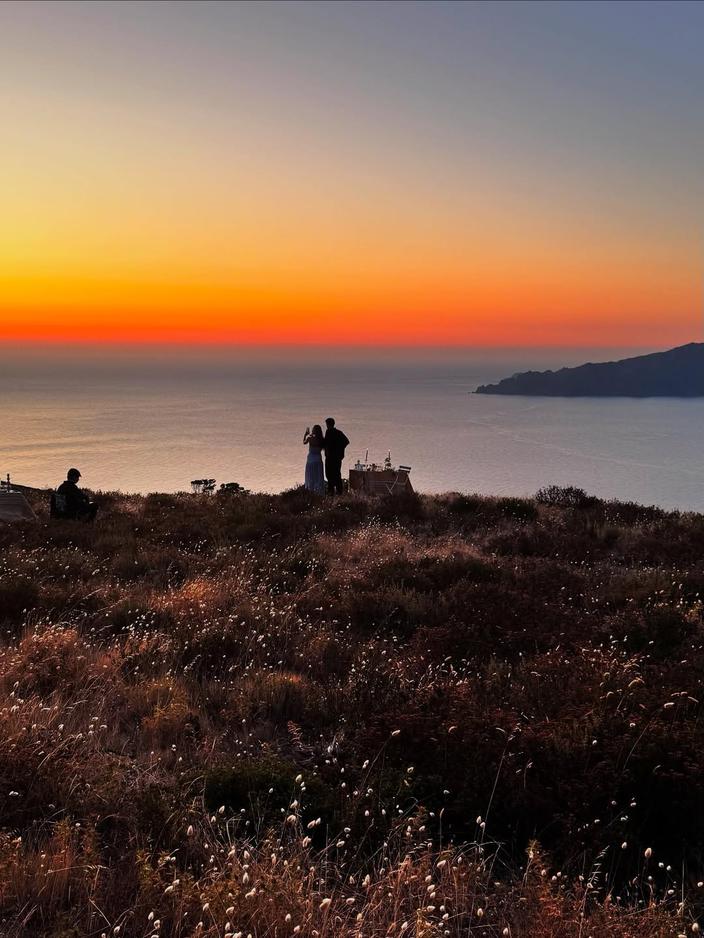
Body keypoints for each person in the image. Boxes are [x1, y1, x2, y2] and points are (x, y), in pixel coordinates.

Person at [323, 417, 349, 495]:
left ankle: (331, 492)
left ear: (328, 424)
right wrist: (340, 450)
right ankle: (338, 492)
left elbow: (326, 444)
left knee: (330, 475)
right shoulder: (339, 432)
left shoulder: (329, 432)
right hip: (337, 458)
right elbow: (346, 441)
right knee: (337, 474)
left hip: (330, 458)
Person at [303, 425, 326, 495]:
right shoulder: (322, 440)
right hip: (318, 459)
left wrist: (305, 434)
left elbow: (304, 442)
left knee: (310, 476)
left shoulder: (310, 438)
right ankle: (319, 493)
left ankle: (310, 491)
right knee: (318, 477)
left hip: (311, 459)